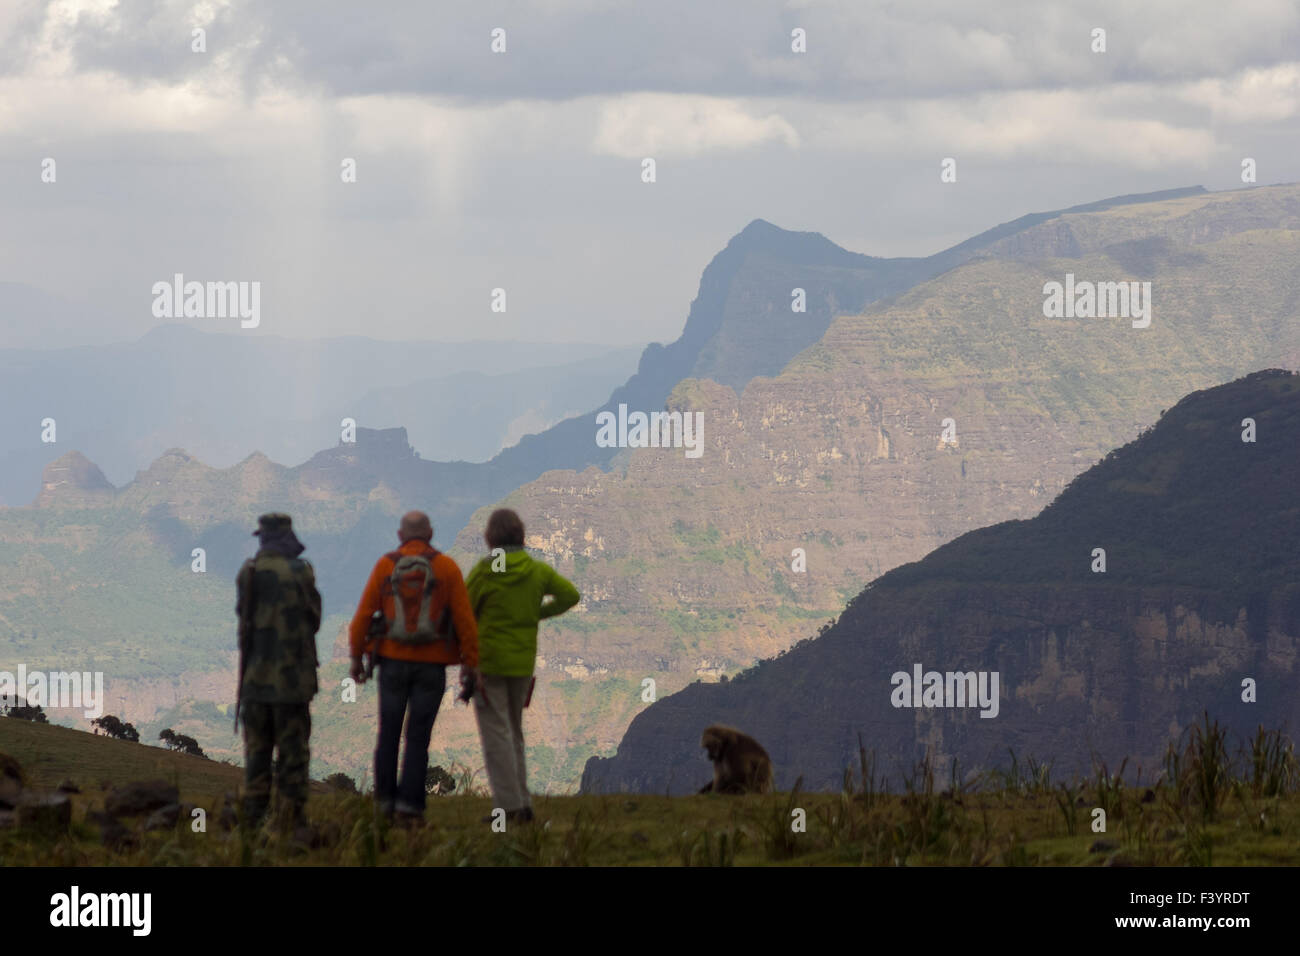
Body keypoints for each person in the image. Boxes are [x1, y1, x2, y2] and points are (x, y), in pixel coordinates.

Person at [349, 510, 478, 824]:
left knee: (388, 734)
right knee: (418, 737)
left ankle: (383, 805)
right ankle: (410, 809)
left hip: (391, 663)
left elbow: (362, 617)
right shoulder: (446, 568)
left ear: (400, 535)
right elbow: (465, 622)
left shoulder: (385, 565)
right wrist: (470, 666)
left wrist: (356, 658)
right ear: (431, 534)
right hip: (431, 667)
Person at [467, 508, 580, 823]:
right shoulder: (536, 571)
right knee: (514, 732)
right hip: (522, 664)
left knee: (496, 736)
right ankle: (523, 803)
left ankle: (508, 809)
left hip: (489, 664)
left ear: (491, 538)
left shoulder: (486, 570)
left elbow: (464, 610)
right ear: (521, 535)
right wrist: (535, 615)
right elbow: (570, 595)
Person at [235, 512, 322, 831]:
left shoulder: (250, 572)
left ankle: (253, 826)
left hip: (255, 682)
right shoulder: (302, 571)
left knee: (257, 755)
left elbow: (243, 620)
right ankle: (290, 825)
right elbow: (314, 619)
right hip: (292, 683)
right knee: (292, 754)